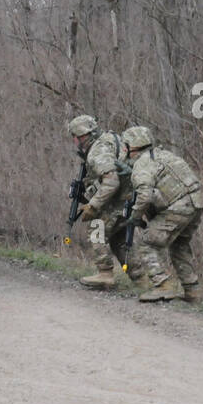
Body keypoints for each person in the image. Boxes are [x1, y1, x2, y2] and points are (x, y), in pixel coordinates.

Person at [121, 126, 203, 302]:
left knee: (146, 241)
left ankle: (162, 285)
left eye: (125, 145)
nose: (123, 149)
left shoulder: (142, 165)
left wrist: (135, 217)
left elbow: (144, 195)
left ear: (132, 147)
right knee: (179, 246)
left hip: (179, 206)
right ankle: (193, 291)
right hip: (196, 203)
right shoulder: (163, 155)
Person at [68, 114, 134, 290]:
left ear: (81, 136)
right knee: (119, 240)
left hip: (117, 199)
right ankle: (142, 280)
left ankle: (105, 274)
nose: (74, 142)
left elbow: (112, 181)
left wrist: (93, 205)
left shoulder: (97, 151)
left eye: (74, 137)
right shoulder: (111, 139)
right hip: (128, 198)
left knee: (96, 227)